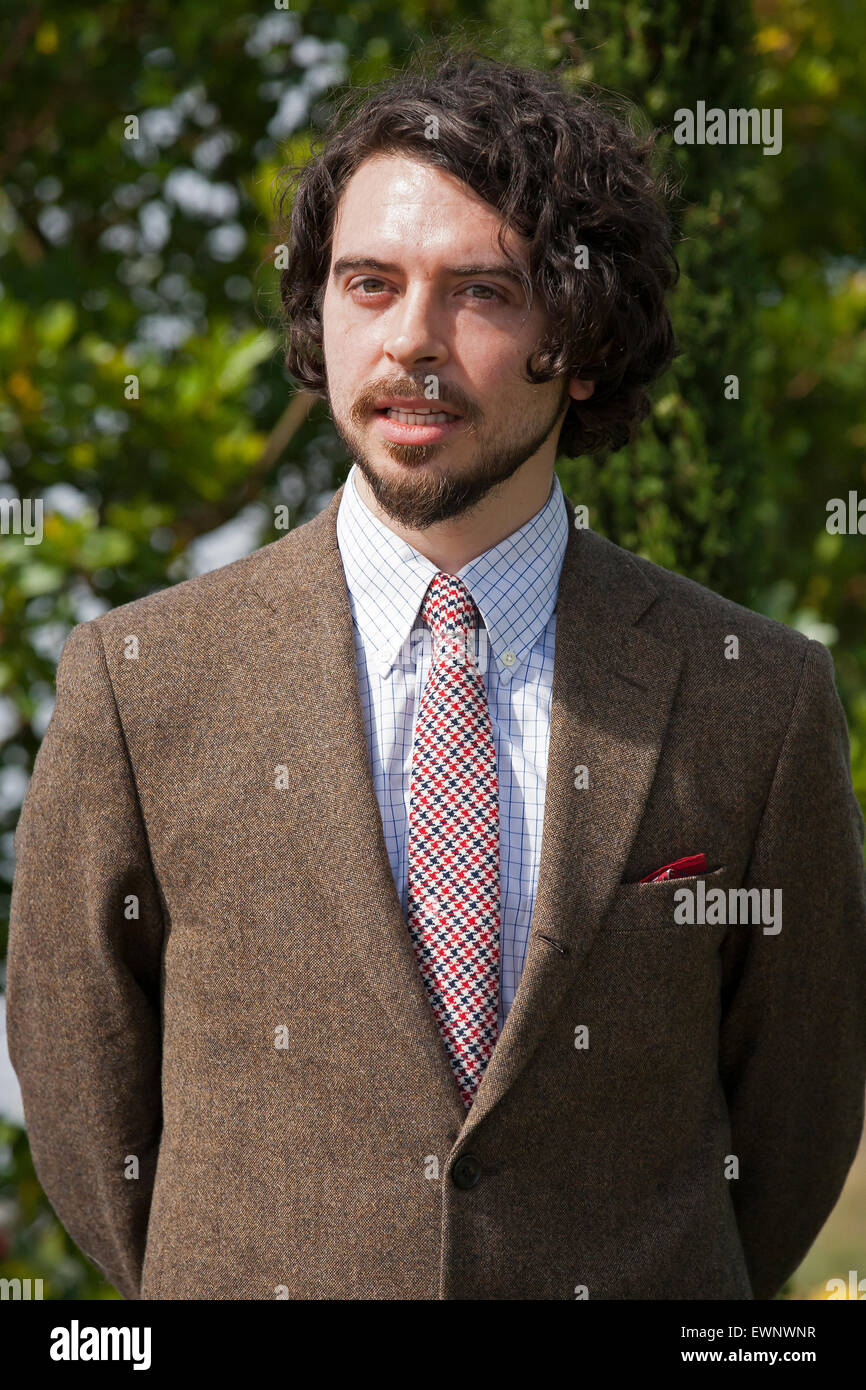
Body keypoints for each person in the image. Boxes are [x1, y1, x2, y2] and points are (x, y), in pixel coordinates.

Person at [7, 52, 866, 1301]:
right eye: (369, 284)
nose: (410, 338)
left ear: (581, 344)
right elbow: (87, 1104)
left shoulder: (756, 696)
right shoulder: (140, 685)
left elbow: (791, 1123)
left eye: (480, 291)